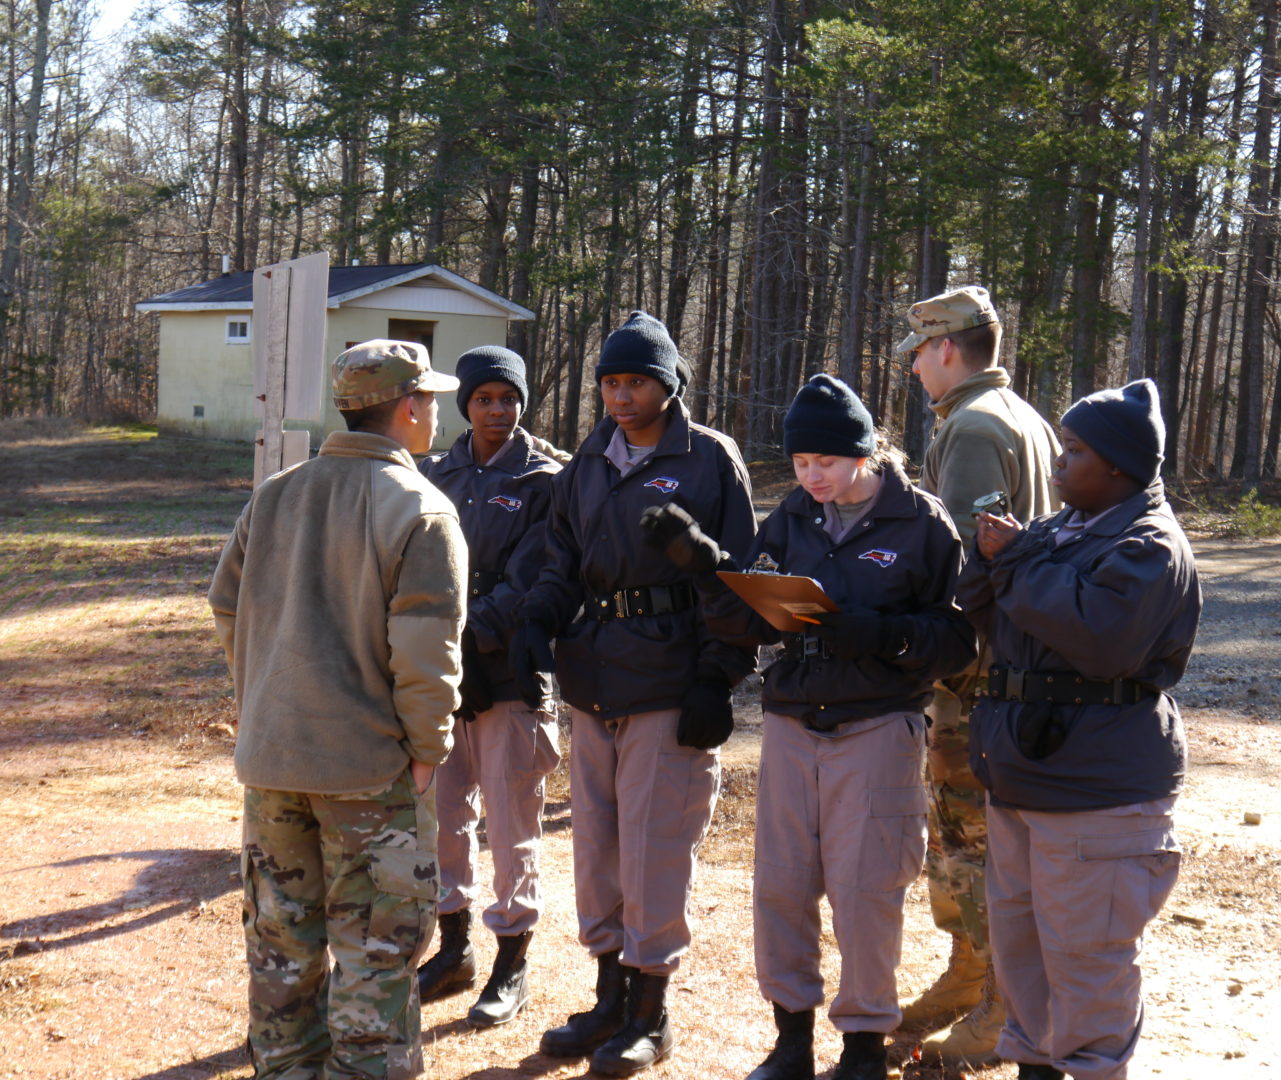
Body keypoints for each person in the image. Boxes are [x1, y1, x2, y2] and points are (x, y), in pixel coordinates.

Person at [644, 374, 976, 1080]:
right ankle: (790, 1040)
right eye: (800, 463)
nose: (812, 476)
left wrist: (882, 635)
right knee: (783, 888)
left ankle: (861, 1046)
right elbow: (750, 615)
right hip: (795, 722)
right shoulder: (792, 517)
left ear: (865, 452)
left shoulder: (921, 523)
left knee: (866, 890)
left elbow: (959, 640)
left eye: (826, 462)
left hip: (878, 726)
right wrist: (707, 567)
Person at [208, 339, 466, 1080]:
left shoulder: (277, 493)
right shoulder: (421, 509)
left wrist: (268, 704)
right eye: (431, 401)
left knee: (280, 954)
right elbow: (426, 656)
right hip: (370, 773)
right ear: (410, 409)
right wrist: (426, 753)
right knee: (375, 962)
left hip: (275, 761)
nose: (435, 414)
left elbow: (226, 608)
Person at [511, 311, 757, 1076]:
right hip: (595, 677)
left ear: (668, 385)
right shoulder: (587, 460)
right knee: (598, 851)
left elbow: (741, 577)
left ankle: (652, 1013)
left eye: (637, 381)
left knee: (656, 853)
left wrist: (718, 676)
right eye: (611, 382)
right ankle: (608, 998)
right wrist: (538, 621)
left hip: (672, 677)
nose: (621, 395)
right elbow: (561, 561)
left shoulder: (710, 460)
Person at [959, 379, 1200, 1080]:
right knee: (1024, 956)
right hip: (1024, 780)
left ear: (1119, 467)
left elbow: (1099, 638)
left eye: (1075, 450)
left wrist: (1019, 561)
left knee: (1087, 964)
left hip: (1100, 793)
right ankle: (1035, 1065)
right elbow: (982, 607)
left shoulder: (1149, 544)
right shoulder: (1061, 528)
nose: (1059, 463)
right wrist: (987, 556)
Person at [895, 285, 1061, 1064]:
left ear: (948, 350)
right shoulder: (1021, 415)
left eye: (920, 353)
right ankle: (970, 975)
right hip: (1012, 660)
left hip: (979, 673)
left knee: (971, 834)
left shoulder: (970, 427)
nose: (916, 368)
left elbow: (962, 561)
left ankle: (1000, 1001)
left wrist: (938, 657)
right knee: (972, 832)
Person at [415, 346, 564, 1028]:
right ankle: (454, 950)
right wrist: (440, 650)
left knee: (510, 823)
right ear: (464, 404)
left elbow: (537, 572)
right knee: (444, 817)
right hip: (442, 676)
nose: (497, 410)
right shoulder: (433, 473)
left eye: (508, 398)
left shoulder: (545, 479)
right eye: (484, 399)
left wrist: (475, 640)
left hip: (508, 675)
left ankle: (511, 962)